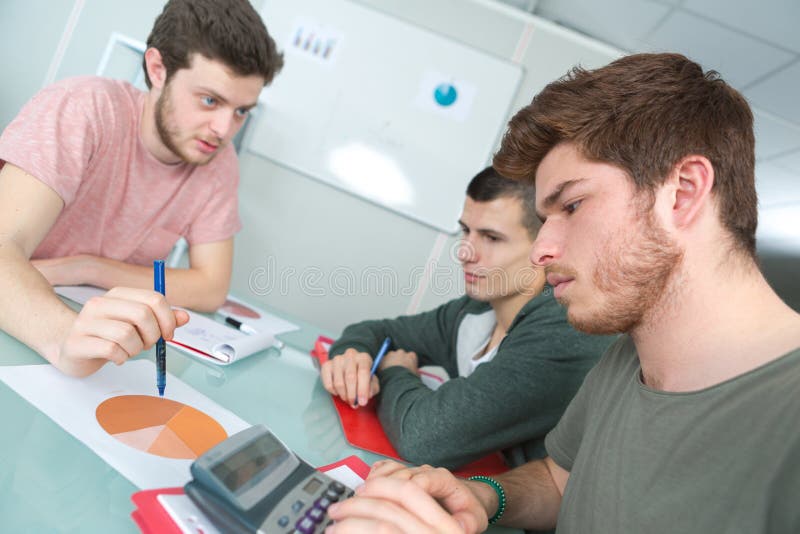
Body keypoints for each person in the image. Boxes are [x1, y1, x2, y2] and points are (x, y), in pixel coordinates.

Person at [324, 53, 800, 533]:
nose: (541, 251)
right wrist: (484, 496)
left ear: (682, 191)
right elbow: (560, 481)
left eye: (572, 205)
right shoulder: (625, 357)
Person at [0, 0, 283, 377]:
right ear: (158, 69)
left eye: (241, 111)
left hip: (89, 342)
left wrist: (88, 268)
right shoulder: (84, 108)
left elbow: (211, 287)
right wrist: (65, 337)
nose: (224, 129)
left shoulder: (217, 159)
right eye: (210, 100)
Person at [320, 166, 614, 469]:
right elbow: (379, 331)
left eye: (491, 238)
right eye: (466, 231)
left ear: (544, 247)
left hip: (519, 513)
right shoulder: (477, 309)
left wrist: (395, 372)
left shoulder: (563, 331)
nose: (465, 252)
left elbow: (423, 439)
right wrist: (352, 356)